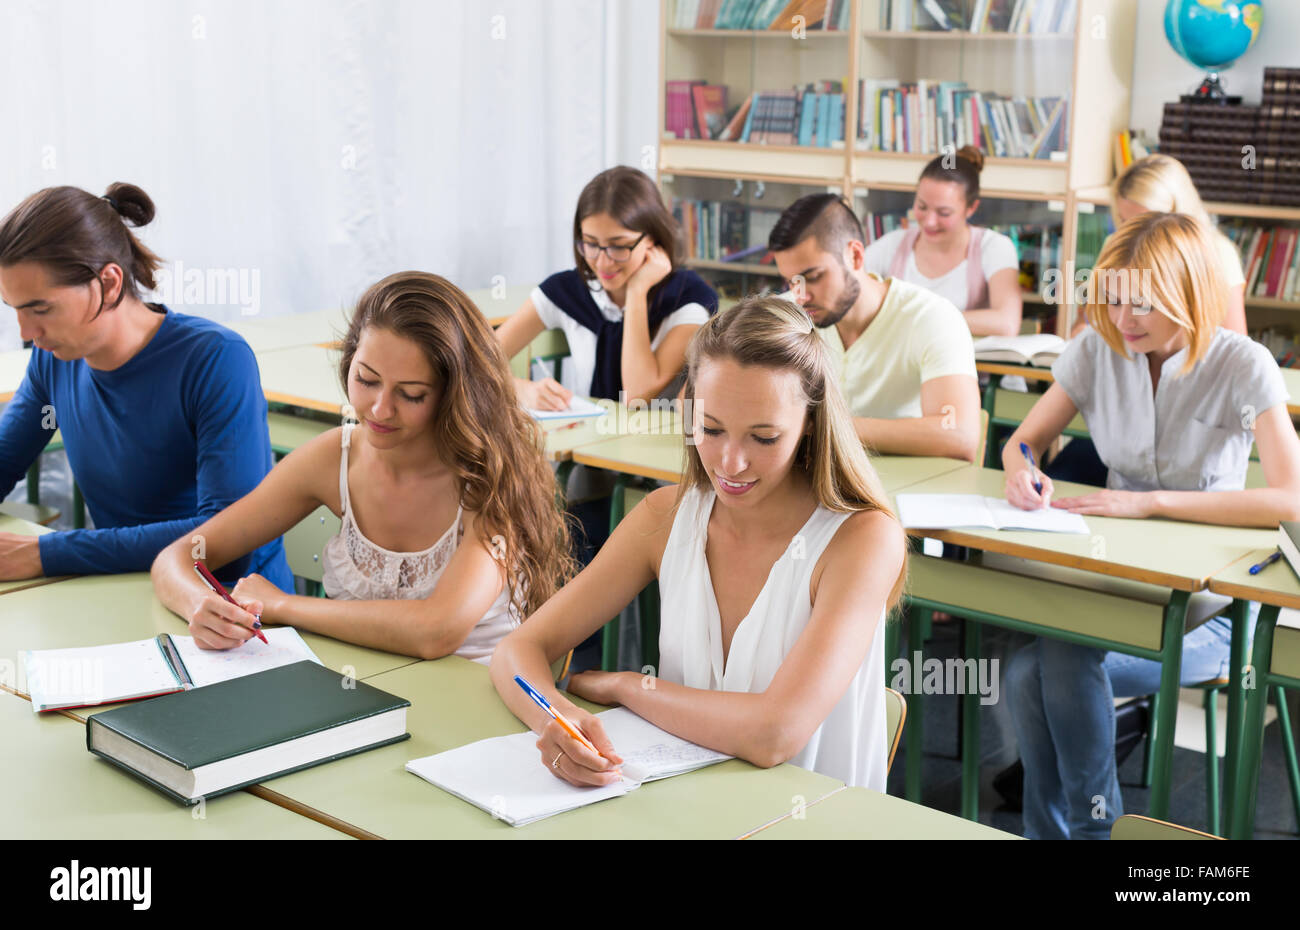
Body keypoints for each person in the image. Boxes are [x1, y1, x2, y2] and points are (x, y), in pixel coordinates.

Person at [489, 297, 907, 790]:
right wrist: (557, 720)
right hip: (681, 812)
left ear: (811, 421)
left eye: (764, 438)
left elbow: (774, 735)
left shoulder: (863, 539)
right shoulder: (664, 518)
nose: (730, 463)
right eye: (710, 429)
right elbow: (517, 650)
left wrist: (630, 686)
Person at [1001, 212, 1300, 840]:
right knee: (1030, 669)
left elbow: (1291, 499)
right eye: (1112, 298)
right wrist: (1018, 469)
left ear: (1186, 294)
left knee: (1056, 654)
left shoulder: (1243, 365)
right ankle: (1057, 835)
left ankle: (1090, 834)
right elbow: (1025, 442)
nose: (1124, 317)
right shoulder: (1098, 349)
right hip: (1117, 577)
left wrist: (1151, 502)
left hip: (1213, 610)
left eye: (1142, 301)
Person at [152, 271, 575, 662]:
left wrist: (285, 605)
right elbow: (177, 558)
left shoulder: (491, 477)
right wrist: (200, 605)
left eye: (411, 394)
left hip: (481, 709)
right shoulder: (334, 457)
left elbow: (437, 631)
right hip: (364, 693)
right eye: (367, 379)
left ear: (454, 395)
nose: (379, 408)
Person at [0, 182, 289, 587]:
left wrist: (46, 554)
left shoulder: (215, 358)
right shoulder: (53, 360)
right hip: (132, 591)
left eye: (40, 308)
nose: (26, 332)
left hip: (237, 614)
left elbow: (224, 542)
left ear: (110, 283)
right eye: (14, 309)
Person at [769, 192, 981, 461]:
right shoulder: (783, 315)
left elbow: (959, 436)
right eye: (791, 282)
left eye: (813, 277)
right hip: (812, 485)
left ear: (856, 256)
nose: (801, 296)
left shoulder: (932, 317)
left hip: (905, 490)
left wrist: (821, 427)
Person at [495, 165, 718, 411]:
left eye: (619, 246)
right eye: (590, 244)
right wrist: (522, 389)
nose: (603, 262)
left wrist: (636, 293)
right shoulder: (565, 292)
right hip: (583, 438)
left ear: (653, 239)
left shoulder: (689, 299)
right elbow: (475, 361)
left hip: (655, 444)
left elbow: (636, 395)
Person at [862, 146, 1023, 337]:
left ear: (971, 208)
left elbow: (1006, 323)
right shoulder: (893, 244)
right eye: (922, 206)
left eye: (943, 213)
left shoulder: (994, 247)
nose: (929, 221)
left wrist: (917, 317)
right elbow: (849, 288)